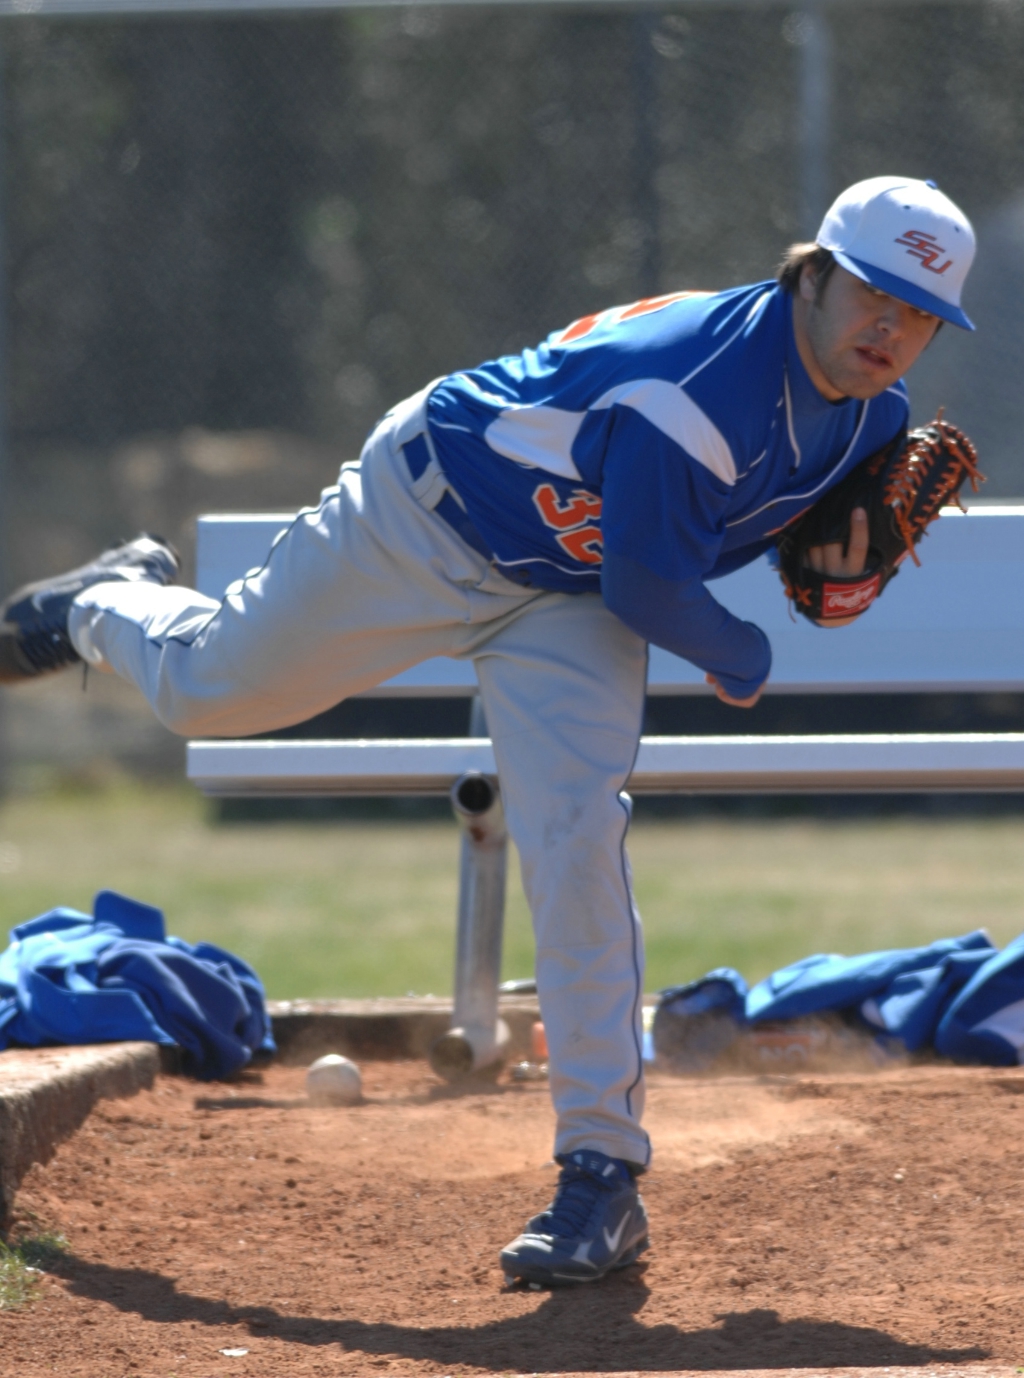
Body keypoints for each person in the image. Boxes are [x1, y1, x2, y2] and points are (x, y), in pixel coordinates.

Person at [0, 175, 975, 1286]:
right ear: (810, 274)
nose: (890, 329)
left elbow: (718, 540)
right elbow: (657, 590)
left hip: (565, 595)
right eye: (871, 294)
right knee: (209, 692)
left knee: (574, 836)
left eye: (921, 313)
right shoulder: (696, 383)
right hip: (427, 516)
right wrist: (744, 652)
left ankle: (600, 1174)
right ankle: (97, 606)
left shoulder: (873, 419)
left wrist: (831, 564)